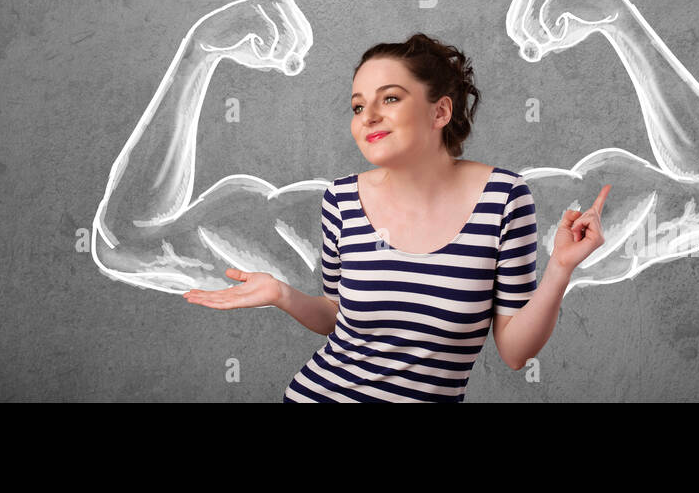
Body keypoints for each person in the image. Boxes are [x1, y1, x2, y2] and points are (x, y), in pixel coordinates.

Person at [181, 33, 611, 403]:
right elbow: (336, 316)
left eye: (389, 98)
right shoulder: (342, 198)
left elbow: (516, 353)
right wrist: (281, 294)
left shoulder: (504, 198)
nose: (367, 116)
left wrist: (560, 269)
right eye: (356, 106)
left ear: (439, 112)